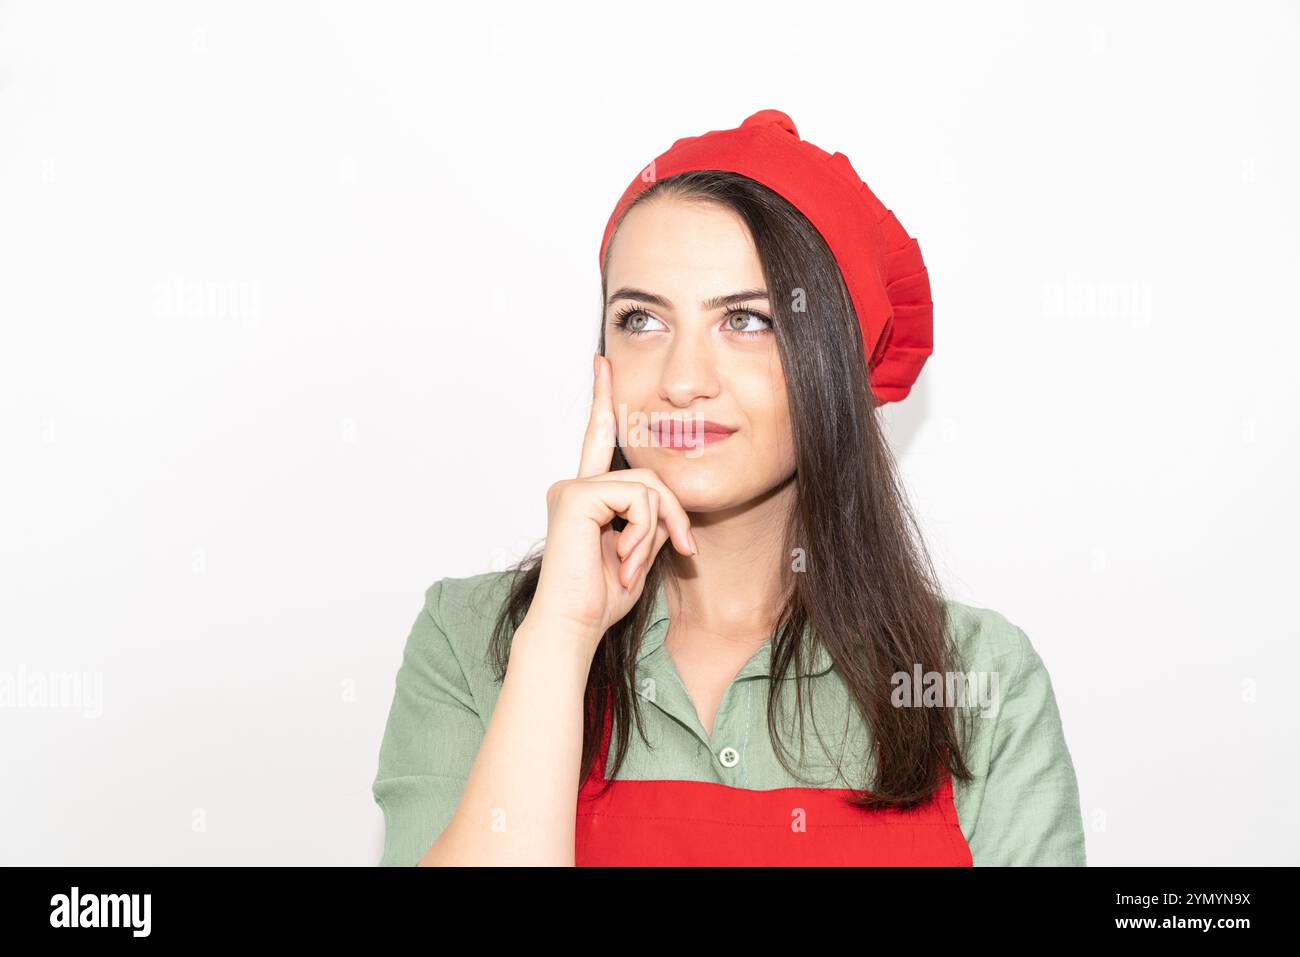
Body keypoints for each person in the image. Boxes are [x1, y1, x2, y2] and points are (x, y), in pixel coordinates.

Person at [372, 110, 1086, 866]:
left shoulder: (976, 678)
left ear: (832, 365)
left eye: (746, 320)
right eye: (641, 319)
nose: (682, 381)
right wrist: (561, 637)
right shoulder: (472, 640)